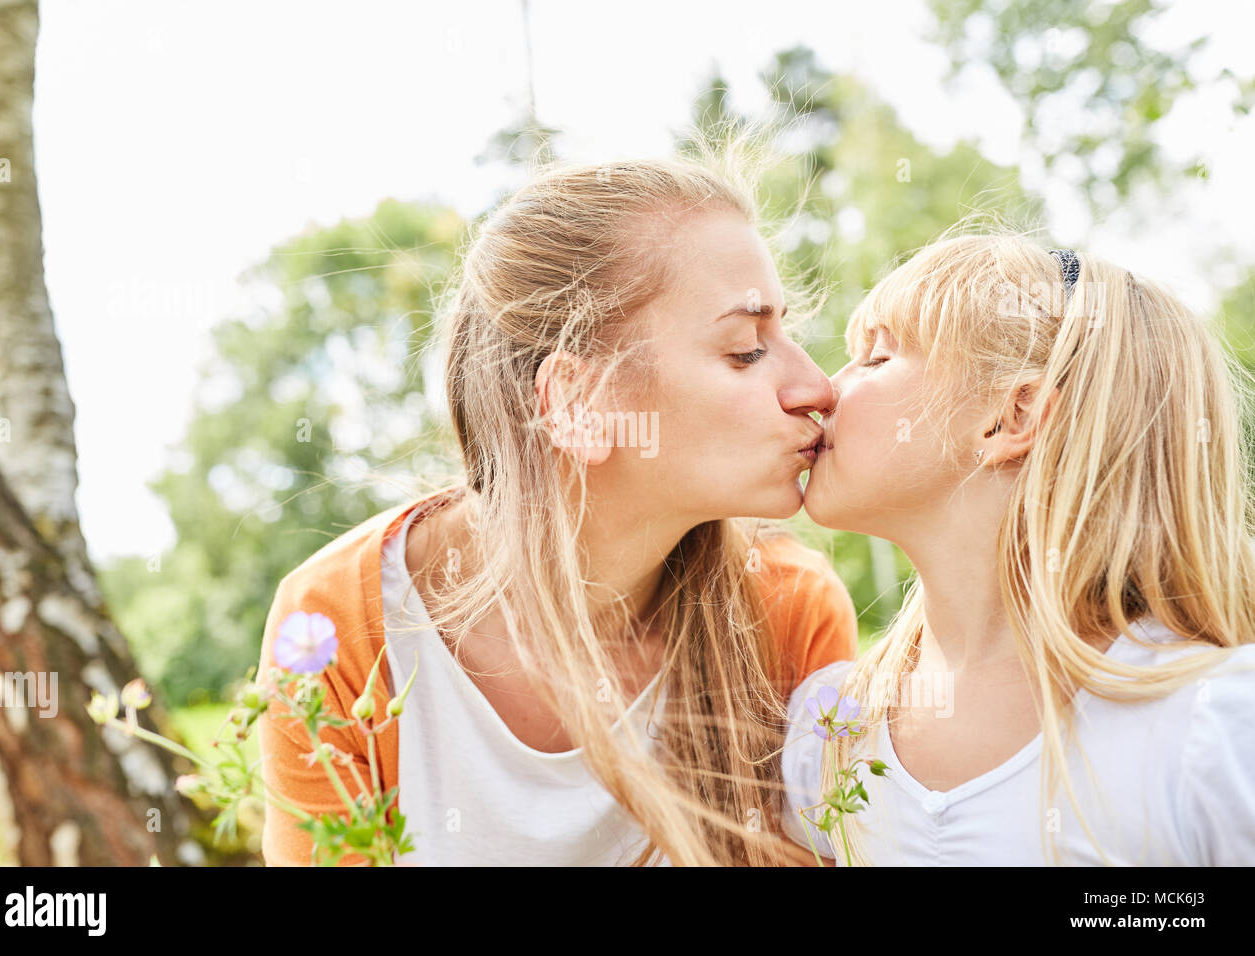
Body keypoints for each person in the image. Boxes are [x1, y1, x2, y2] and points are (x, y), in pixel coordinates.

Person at [258, 132, 859, 866]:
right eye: (745, 350)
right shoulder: (334, 628)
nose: (818, 387)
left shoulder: (789, 614)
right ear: (577, 398)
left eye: (783, 334)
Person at [785, 232, 1255, 865]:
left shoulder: (1214, 726)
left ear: (1014, 417)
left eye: (876, 359)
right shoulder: (829, 729)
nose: (823, 390)